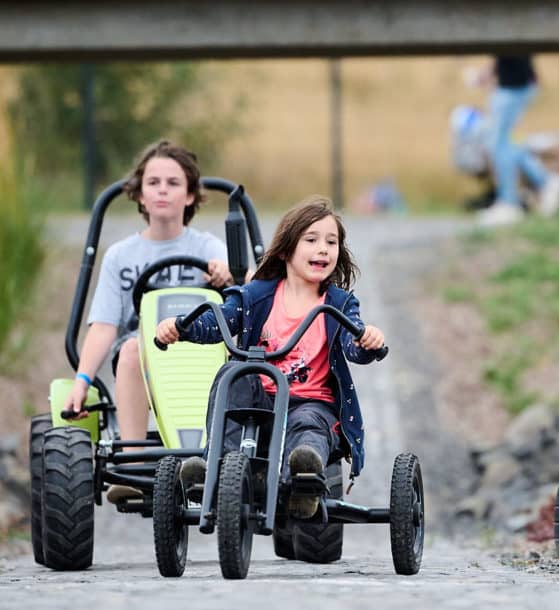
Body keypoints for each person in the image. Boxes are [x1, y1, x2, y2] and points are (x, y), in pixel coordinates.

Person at [156, 196, 387, 518]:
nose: (323, 249)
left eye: (331, 242)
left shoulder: (338, 302)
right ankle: (217, 469)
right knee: (232, 373)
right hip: (260, 402)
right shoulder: (255, 295)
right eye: (311, 240)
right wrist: (180, 327)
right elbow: (219, 320)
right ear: (285, 249)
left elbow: (353, 341)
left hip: (309, 403)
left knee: (308, 428)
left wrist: (367, 340)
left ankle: (303, 481)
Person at [64, 139, 233, 504]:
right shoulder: (122, 256)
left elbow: (247, 287)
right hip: (140, 354)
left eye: (173, 183)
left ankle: (217, 451)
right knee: (129, 349)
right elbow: (104, 325)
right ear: (139, 195)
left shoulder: (208, 248)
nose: (162, 190)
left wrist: (228, 276)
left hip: (202, 349)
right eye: (153, 182)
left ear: (190, 196)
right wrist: (81, 382)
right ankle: (134, 459)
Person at [475, 55, 559, 227]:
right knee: (506, 145)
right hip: (515, 84)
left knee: (499, 145)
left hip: (514, 86)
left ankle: (510, 203)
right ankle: (546, 181)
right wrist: (491, 71)